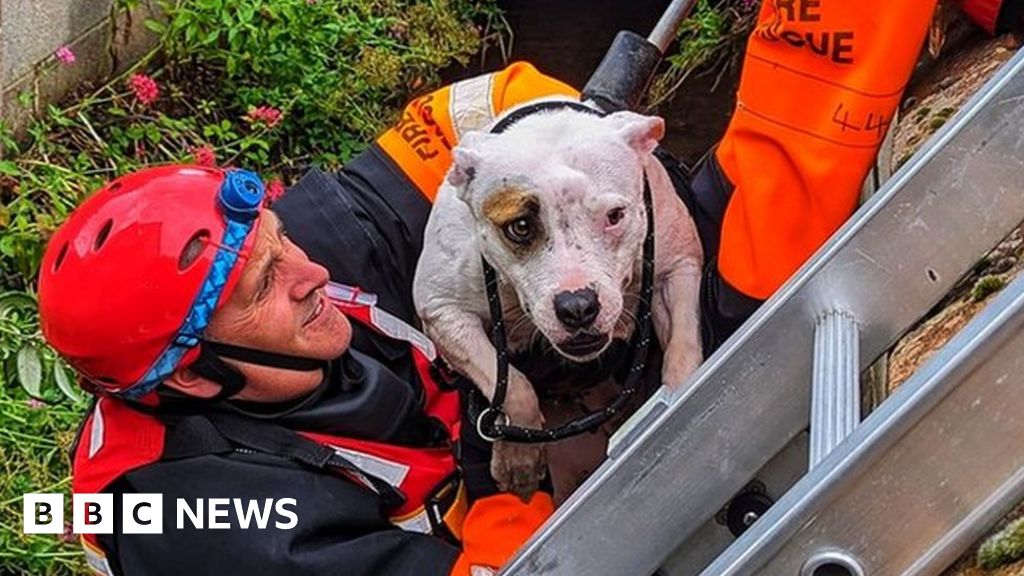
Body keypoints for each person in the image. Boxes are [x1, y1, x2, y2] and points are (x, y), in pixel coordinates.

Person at [38, 64, 576, 576]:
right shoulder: (228, 528)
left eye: (281, 240)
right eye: (266, 282)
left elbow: (468, 115)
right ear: (194, 375)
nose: (314, 272)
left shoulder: (279, 265)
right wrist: (510, 502)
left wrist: (581, 132)